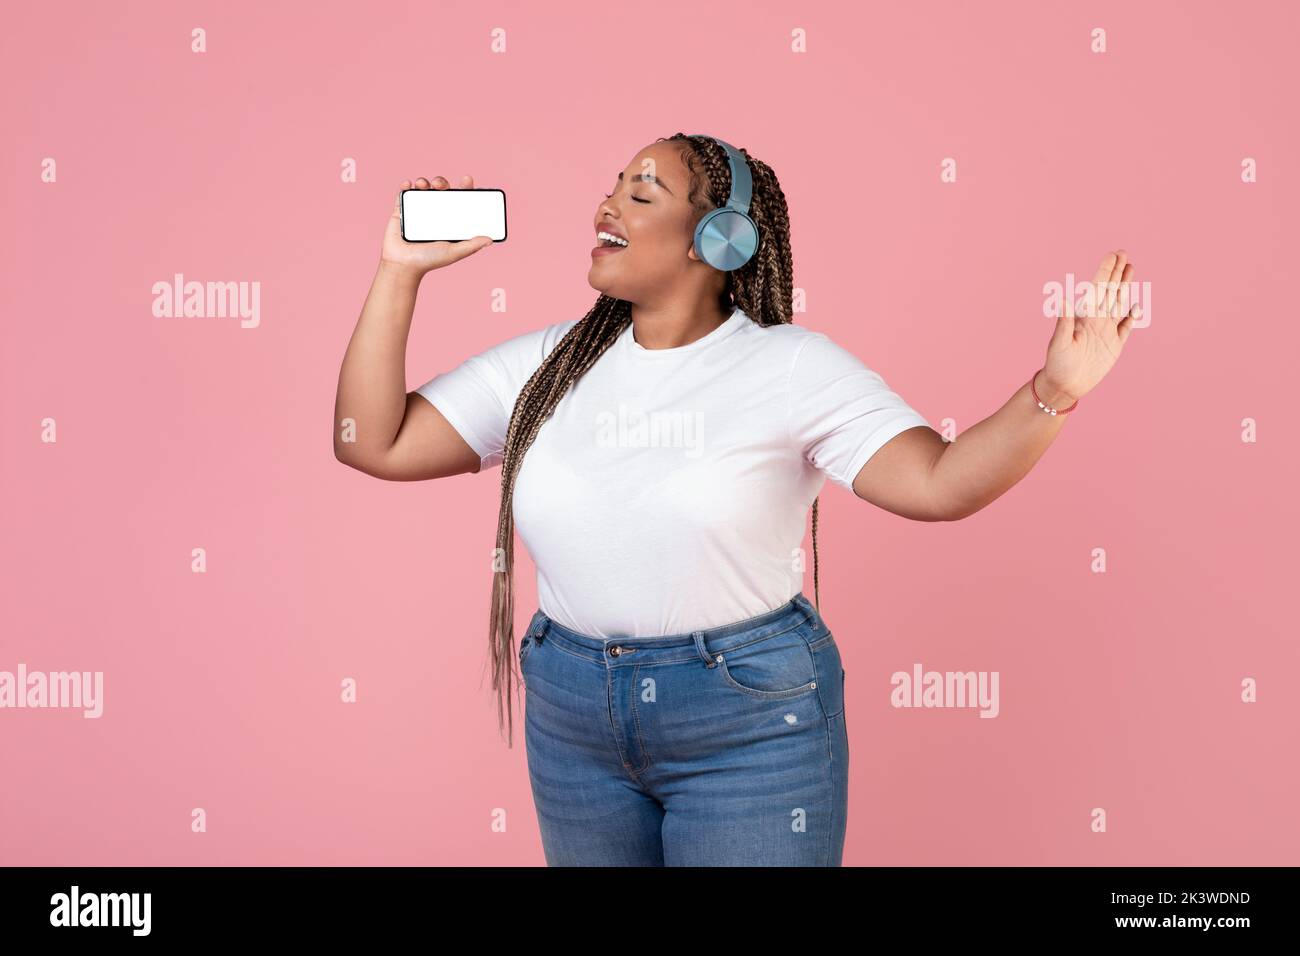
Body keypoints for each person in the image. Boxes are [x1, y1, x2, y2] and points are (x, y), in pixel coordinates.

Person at [332, 133, 1138, 865]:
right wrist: (399, 271)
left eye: (642, 195)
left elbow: (939, 483)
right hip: (572, 711)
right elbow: (370, 440)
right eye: (614, 185)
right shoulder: (545, 364)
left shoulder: (791, 368)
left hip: (747, 720)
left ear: (720, 239)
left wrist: (1053, 392)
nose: (606, 205)